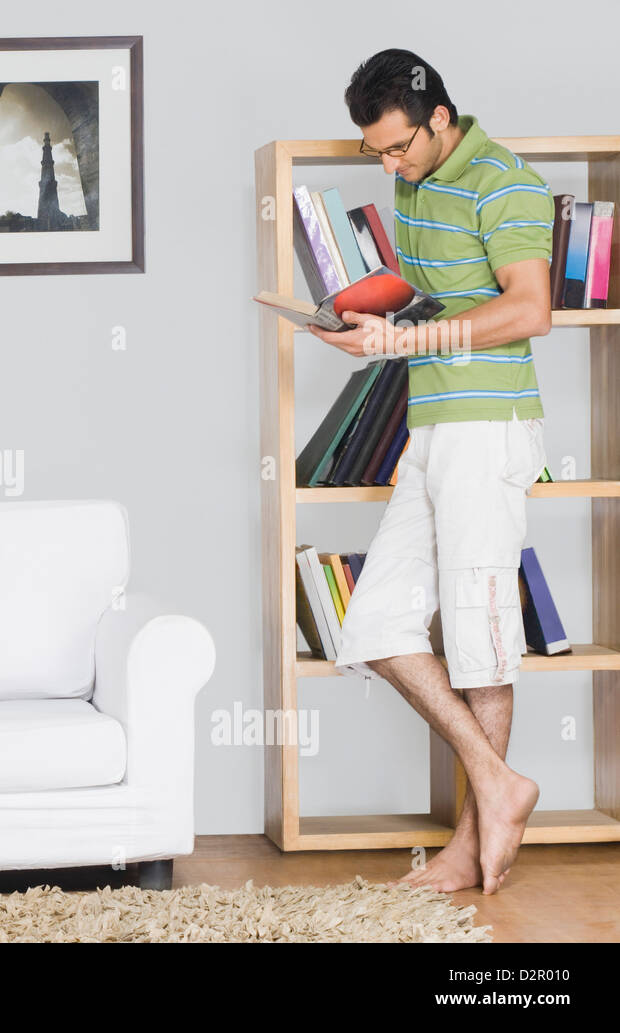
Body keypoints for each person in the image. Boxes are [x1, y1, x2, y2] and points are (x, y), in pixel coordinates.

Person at [308, 49, 554, 895]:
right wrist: (360, 319)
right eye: (376, 152)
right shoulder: (417, 183)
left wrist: (406, 342)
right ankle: (498, 782)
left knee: (483, 647)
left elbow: (530, 309)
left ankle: (467, 841)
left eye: (398, 147)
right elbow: (433, 295)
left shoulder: (506, 182)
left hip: (489, 431)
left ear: (439, 118)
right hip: (433, 428)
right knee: (373, 625)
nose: (389, 165)